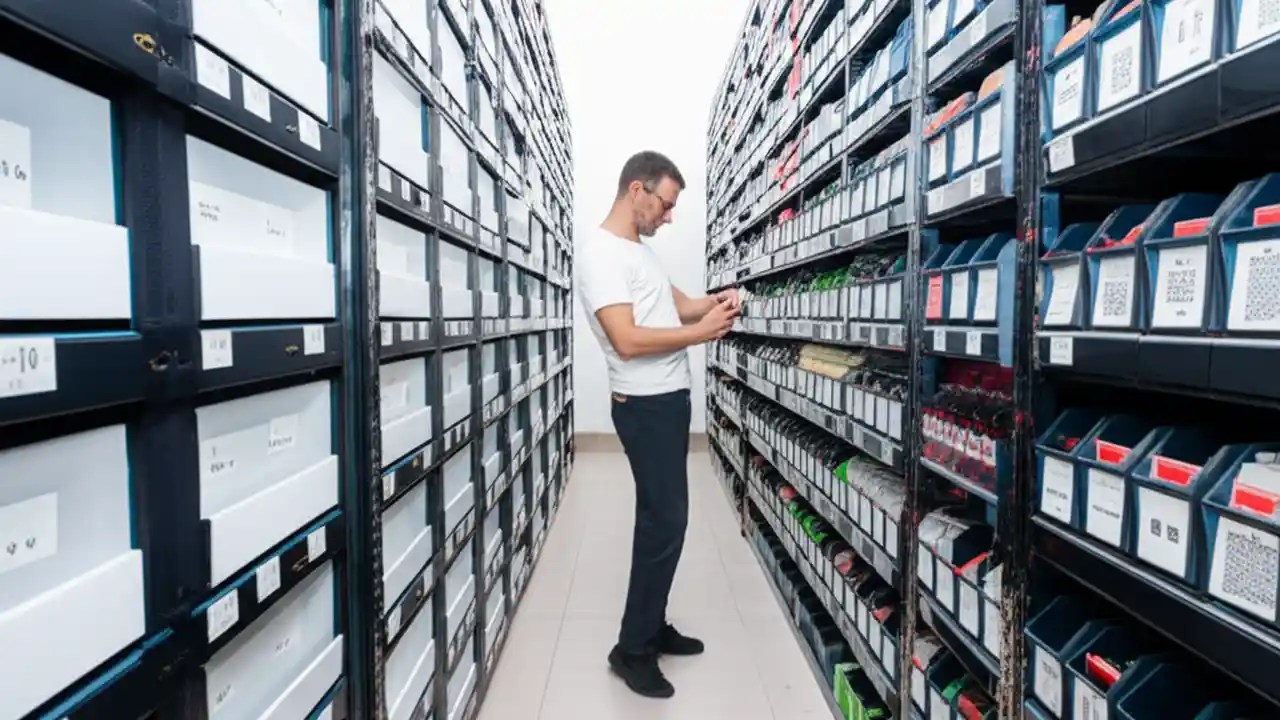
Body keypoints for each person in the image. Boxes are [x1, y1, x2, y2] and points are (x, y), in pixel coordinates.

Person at [576, 150, 741, 698]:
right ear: (636, 191)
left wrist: (716, 306)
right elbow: (626, 338)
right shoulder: (601, 255)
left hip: (668, 402)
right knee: (662, 525)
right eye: (666, 205)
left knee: (668, 522)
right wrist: (701, 335)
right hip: (644, 408)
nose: (669, 217)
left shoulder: (638, 253)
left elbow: (682, 309)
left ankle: (653, 623)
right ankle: (632, 649)